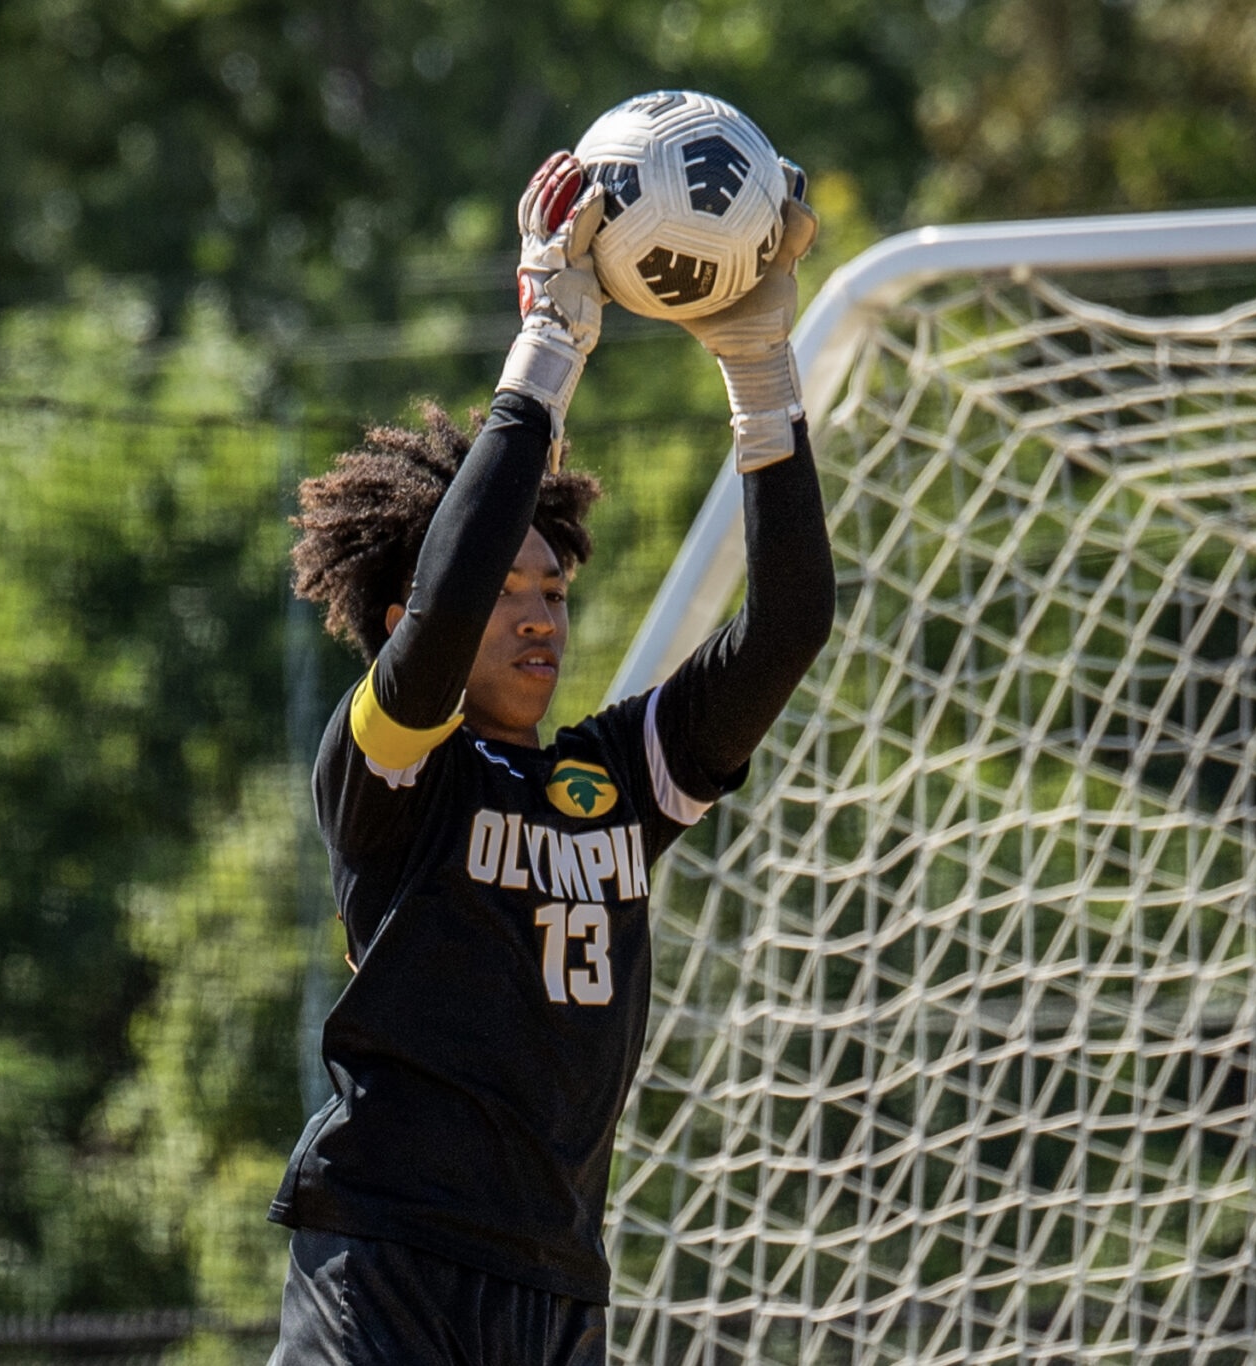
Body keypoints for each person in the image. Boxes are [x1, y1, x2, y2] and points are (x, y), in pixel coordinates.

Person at [268, 148, 835, 1365]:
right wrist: (547, 346)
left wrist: (758, 372)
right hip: (386, 1255)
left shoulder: (613, 785)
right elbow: (447, 597)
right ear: (407, 616)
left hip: (555, 1281)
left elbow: (786, 628)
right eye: (505, 587)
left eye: (553, 588)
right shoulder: (390, 772)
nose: (535, 613)